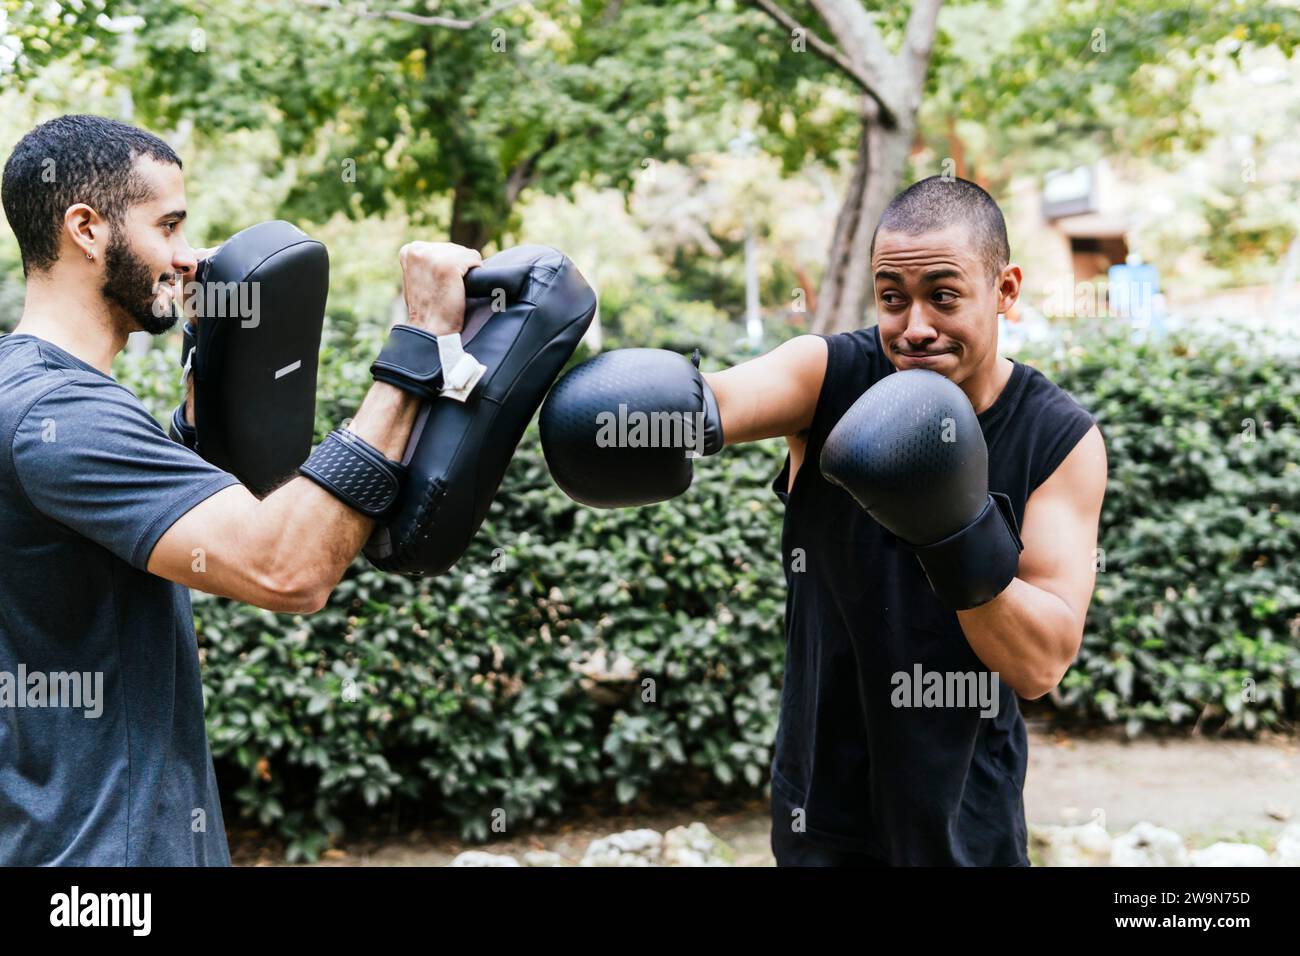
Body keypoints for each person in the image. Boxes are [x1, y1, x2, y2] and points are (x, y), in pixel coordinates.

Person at [541, 176, 1108, 865]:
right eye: (893, 298)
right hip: (822, 807)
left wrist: (953, 527)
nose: (915, 326)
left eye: (944, 295)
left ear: (1006, 290)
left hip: (967, 817)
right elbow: (708, 404)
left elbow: (1041, 663)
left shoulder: (1060, 439)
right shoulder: (828, 375)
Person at [0, 114, 481, 865]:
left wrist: (212, 361)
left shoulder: (29, 395)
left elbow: (170, 516)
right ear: (86, 229)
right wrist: (421, 344)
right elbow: (286, 569)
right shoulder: (60, 416)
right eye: (170, 226)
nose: (189, 257)